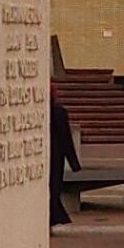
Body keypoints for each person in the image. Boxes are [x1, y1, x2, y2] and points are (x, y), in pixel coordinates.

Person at [50, 96, 83, 226]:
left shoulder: (55, 112)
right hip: (56, 156)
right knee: (54, 188)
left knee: (52, 189)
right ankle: (54, 217)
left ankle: (53, 217)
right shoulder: (59, 112)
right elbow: (66, 138)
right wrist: (74, 163)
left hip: (50, 155)